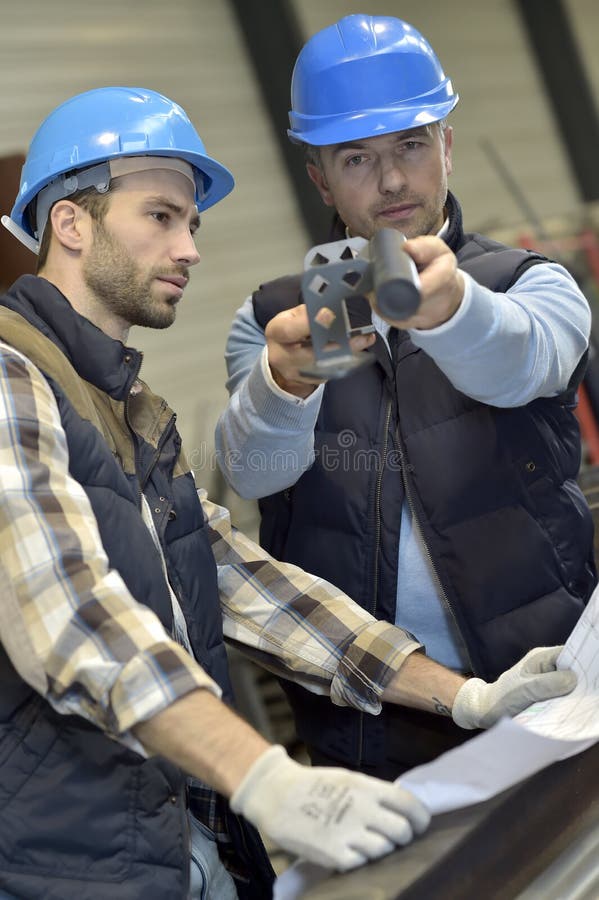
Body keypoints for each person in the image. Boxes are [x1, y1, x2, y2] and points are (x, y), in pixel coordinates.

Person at [0, 85, 579, 900]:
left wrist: (464, 696)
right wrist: (264, 776)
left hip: (176, 834)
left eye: (191, 224)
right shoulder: (11, 379)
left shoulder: (128, 405)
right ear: (69, 223)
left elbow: (241, 581)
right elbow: (69, 616)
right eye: (161, 216)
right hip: (64, 858)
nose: (191, 248)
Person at [215, 14, 596, 781]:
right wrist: (284, 383)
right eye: (356, 157)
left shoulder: (527, 283)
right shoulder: (271, 321)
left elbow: (518, 367)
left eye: (411, 146)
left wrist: (451, 310)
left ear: (446, 148)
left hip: (554, 683)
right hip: (376, 725)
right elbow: (254, 473)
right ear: (319, 176)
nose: (390, 180)